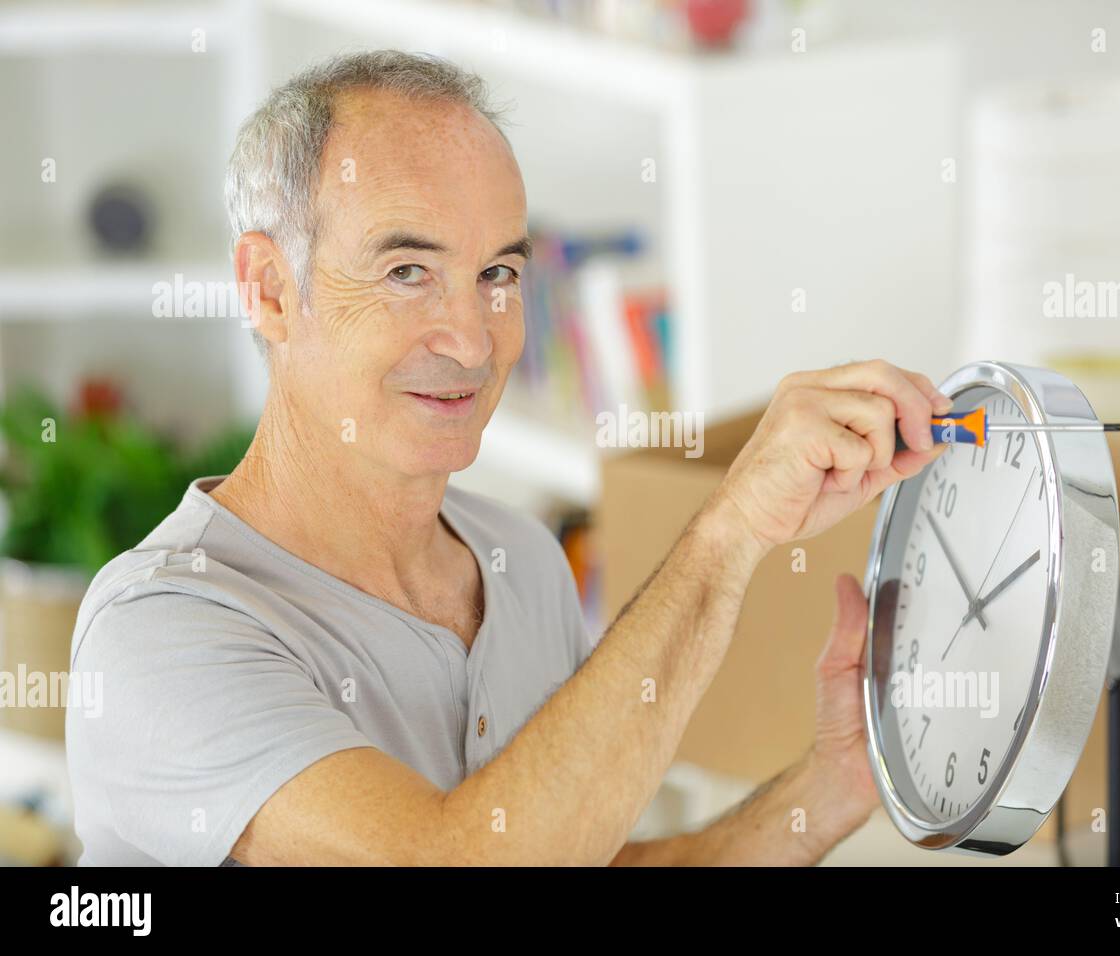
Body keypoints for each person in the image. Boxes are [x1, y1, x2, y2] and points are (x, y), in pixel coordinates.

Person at [65, 50, 952, 866]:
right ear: (267, 289)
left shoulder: (520, 562)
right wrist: (730, 528)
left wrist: (832, 785)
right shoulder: (162, 635)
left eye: (498, 274)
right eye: (407, 271)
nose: (471, 340)